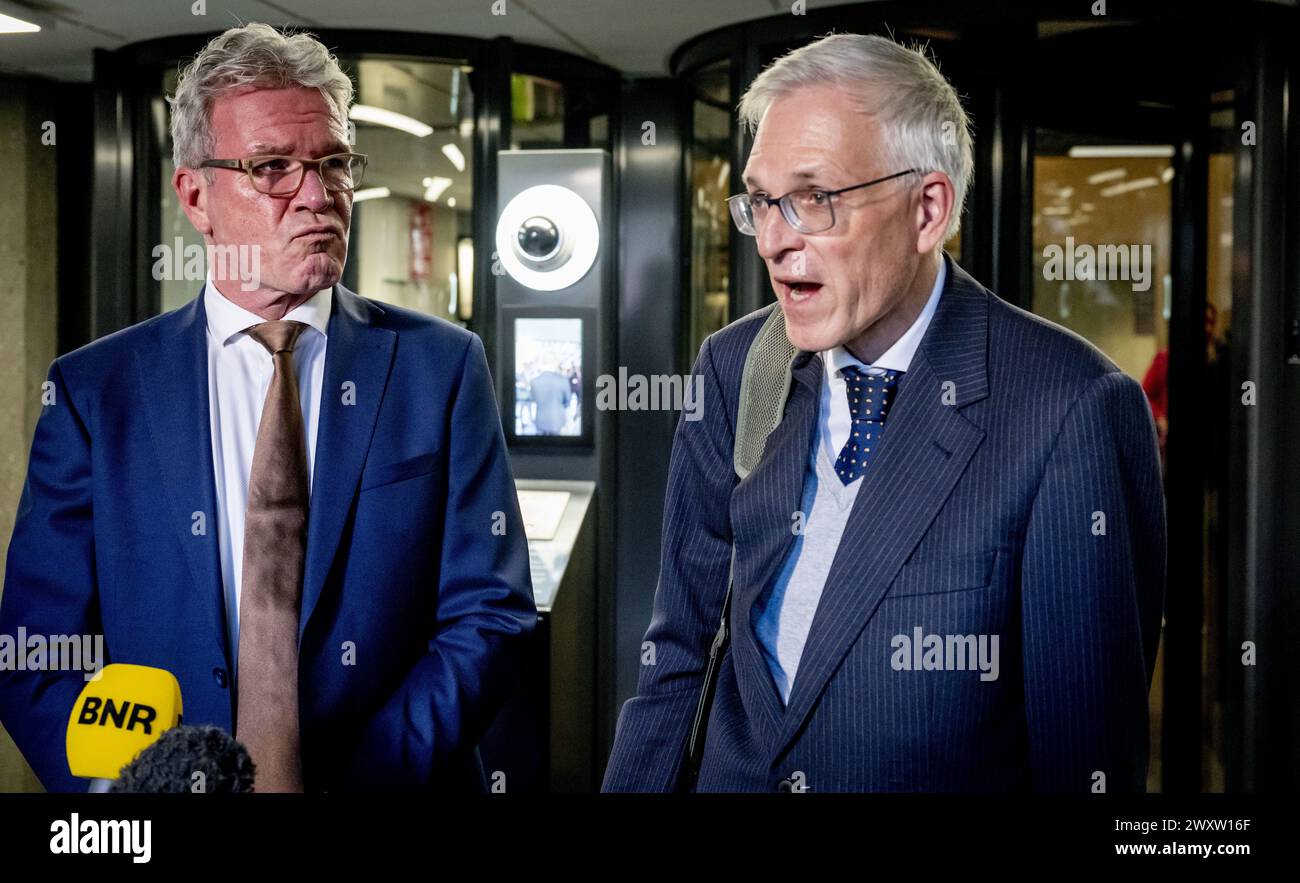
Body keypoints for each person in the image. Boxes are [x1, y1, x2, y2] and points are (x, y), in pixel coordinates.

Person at [603, 33, 1165, 792]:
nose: (772, 240)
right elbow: (675, 655)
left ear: (928, 209)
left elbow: (1085, 759)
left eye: (814, 199)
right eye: (764, 200)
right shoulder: (735, 369)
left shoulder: (1072, 409)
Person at [0, 23, 535, 792]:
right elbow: (34, 652)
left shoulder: (441, 368)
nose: (317, 196)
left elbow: (491, 617)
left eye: (334, 164)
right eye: (273, 168)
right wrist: (132, 789)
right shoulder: (97, 393)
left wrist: (355, 779)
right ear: (196, 195)